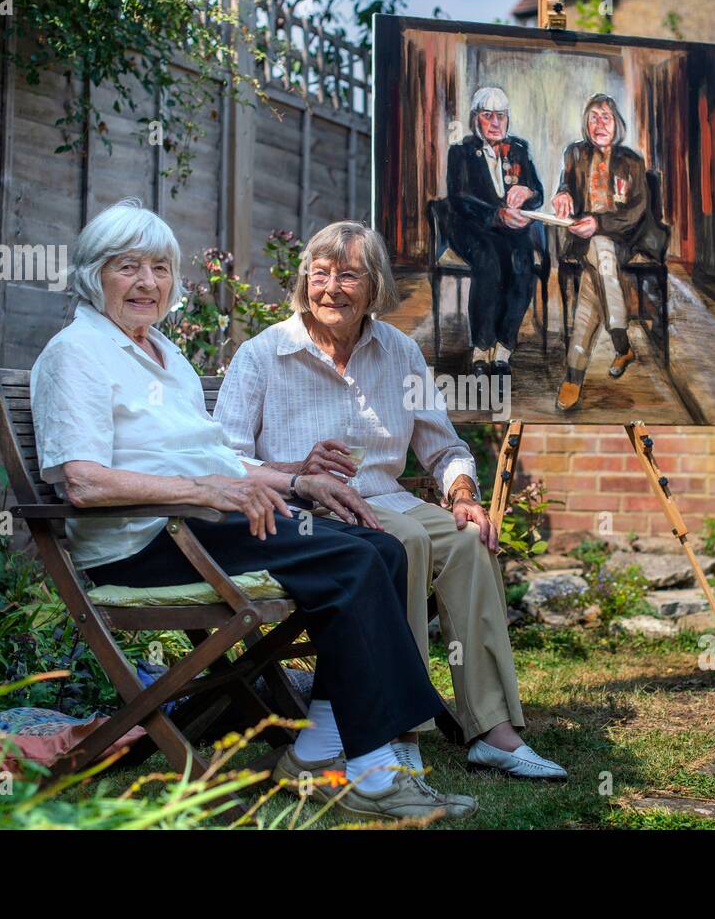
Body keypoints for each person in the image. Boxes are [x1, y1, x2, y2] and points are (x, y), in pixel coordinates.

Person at [30, 199, 477, 821]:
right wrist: (209, 493)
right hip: (144, 545)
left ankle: (320, 746)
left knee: (379, 546)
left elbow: (221, 458)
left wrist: (298, 480)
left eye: (160, 268)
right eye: (127, 267)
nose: (147, 283)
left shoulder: (162, 352)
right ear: (91, 274)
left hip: (202, 525)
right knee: (350, 562)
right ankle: (377, 773)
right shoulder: (76, 353)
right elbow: (83, 483)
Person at [216, 220, 567, 781]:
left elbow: (443, 445)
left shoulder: (397, 350)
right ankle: (397, 727)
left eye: (347, 275)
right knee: (397, 543)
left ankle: (494, 730)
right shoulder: (263, 355)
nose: (329, 288)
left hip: (386, 495)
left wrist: (463, 493)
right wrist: (296, 470)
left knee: (469, 538)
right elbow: (225, 462)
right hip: (306, 512)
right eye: (320, 274)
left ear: (373, 285)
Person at [551, 93, 668, 412]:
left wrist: (598, 223)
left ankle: (573, 377)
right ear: (585, 124)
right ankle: (622, 343)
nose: (599, 123)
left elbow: (637, 213)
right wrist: (562, 196)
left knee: (597, 266)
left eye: (605, 117)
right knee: (597, 268)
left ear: (617, 124)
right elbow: (564, 185)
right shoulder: (574, 153)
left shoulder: (631, 161)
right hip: (584, 242)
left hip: (623, 238)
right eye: (593, 117)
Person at [444, 86, 544, 377]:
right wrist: (496, 215)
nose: (496, 122)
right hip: (473, 226)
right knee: (489, 262)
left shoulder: (519, 150)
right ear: (476, 119)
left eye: (501, 115)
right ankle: (481, 348)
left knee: (523, 264)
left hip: (511, 229)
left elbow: (537, 193)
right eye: (488, 115)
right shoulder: (461, 152)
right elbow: (460, 198)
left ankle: (504, 347)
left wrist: (527, 192)